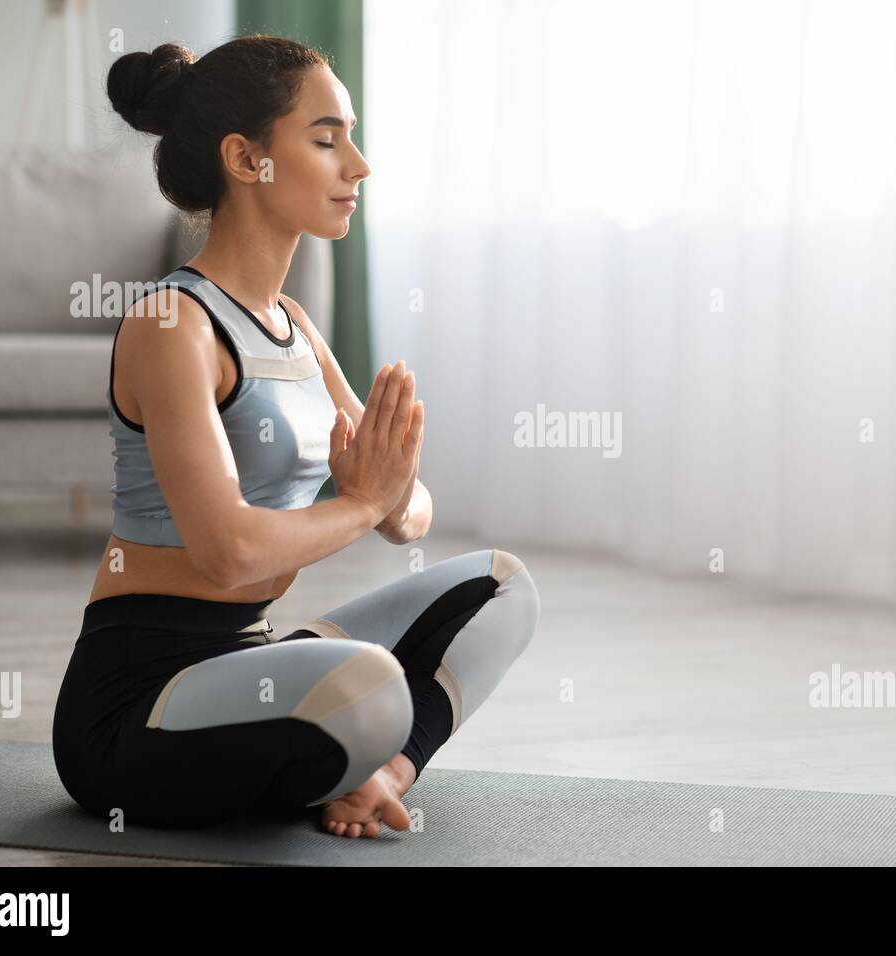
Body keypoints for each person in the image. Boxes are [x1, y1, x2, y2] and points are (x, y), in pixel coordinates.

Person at [51, 36, 541, 838]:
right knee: (370, 686)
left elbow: (407, 508)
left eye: (349, 135)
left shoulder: (296, 331)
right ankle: (344, 756)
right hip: (135, 705)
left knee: (504, 587)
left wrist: (386, 499)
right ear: (247, 160)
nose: (358, 164)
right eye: (325, 139)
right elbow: (229, 553)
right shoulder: (172, 324)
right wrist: (363, 504)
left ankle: (372, 772)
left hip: (253, 657)